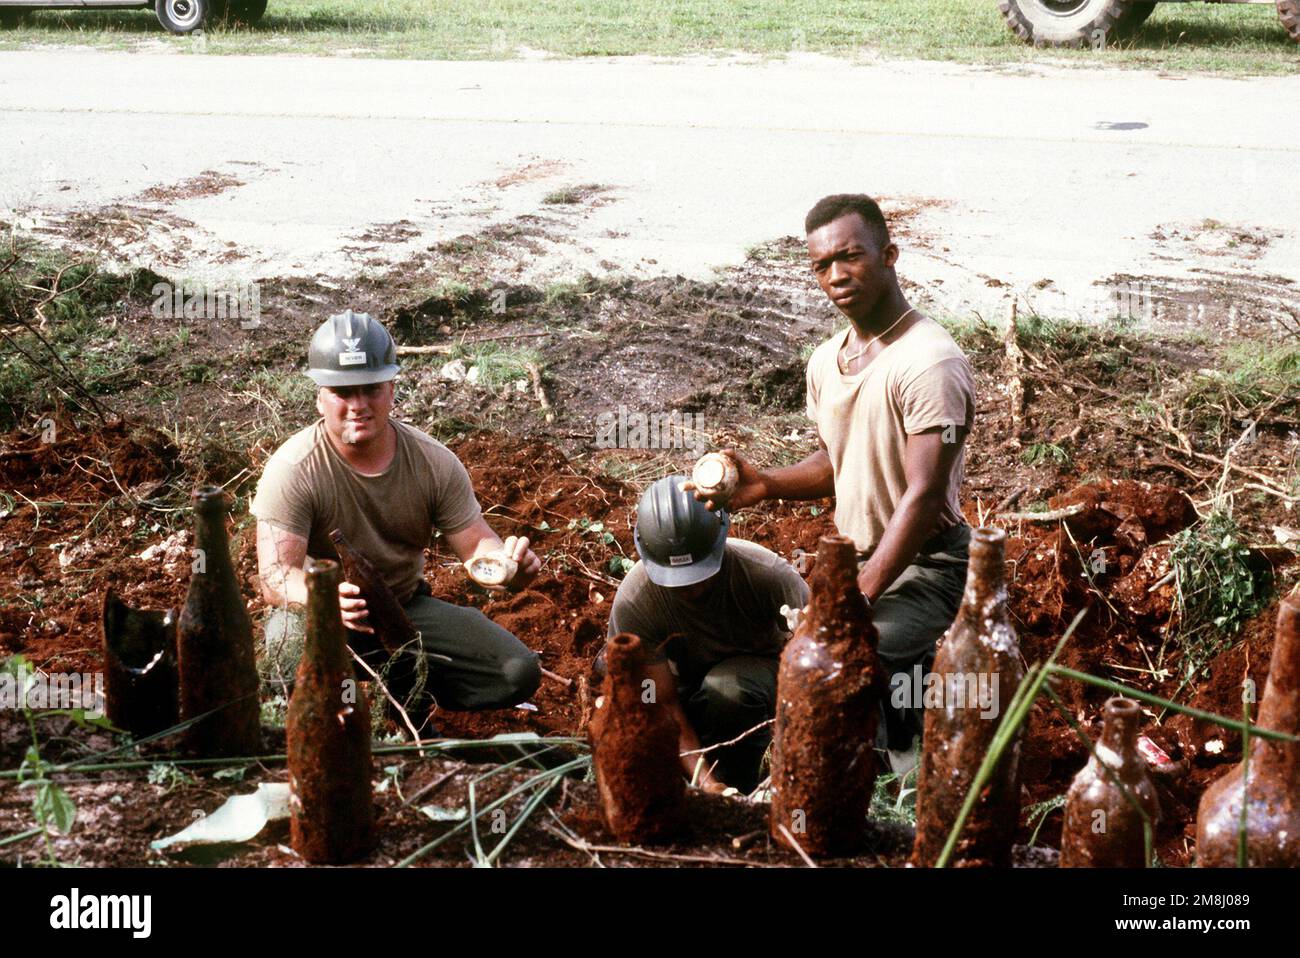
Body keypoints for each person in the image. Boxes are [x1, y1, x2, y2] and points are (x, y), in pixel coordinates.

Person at [688, 194, 977, 773]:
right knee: (831, 664)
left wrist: (857, 597)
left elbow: (921, 499)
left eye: (851, 256)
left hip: (929, 565)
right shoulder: (827, 360)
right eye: (822, 265)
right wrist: (765, 484)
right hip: (857, 560)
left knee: (840, 662)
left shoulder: (929, 362)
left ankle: (897, 767)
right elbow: (836, 459)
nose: (837, 275)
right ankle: (898, 734)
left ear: (890, 255)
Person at [251, 309, 542, 724]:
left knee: (516, 672)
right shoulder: (294, 468)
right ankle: (332, 714)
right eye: (342, 391)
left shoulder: (432, 461)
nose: (358, 405)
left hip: (405, 611)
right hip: (320, 617)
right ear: (320, 395)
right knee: (284, 666)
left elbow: (475, 543)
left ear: (391, 389)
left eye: (370, 389)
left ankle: (407, 690)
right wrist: (320, 597)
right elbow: (275, 574)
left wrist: (505, 564)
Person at [600, 475, 809, 794]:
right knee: (634, 704)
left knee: (726, 688)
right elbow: (662, 702)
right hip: (688, 693)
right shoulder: (636, 599)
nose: (692, 588)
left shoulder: (766, 574)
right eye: (678, 579)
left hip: (765, 683)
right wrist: (708, 784)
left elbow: (814, 667)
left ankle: (749, 775)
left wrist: (791, 755)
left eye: (700, 573)